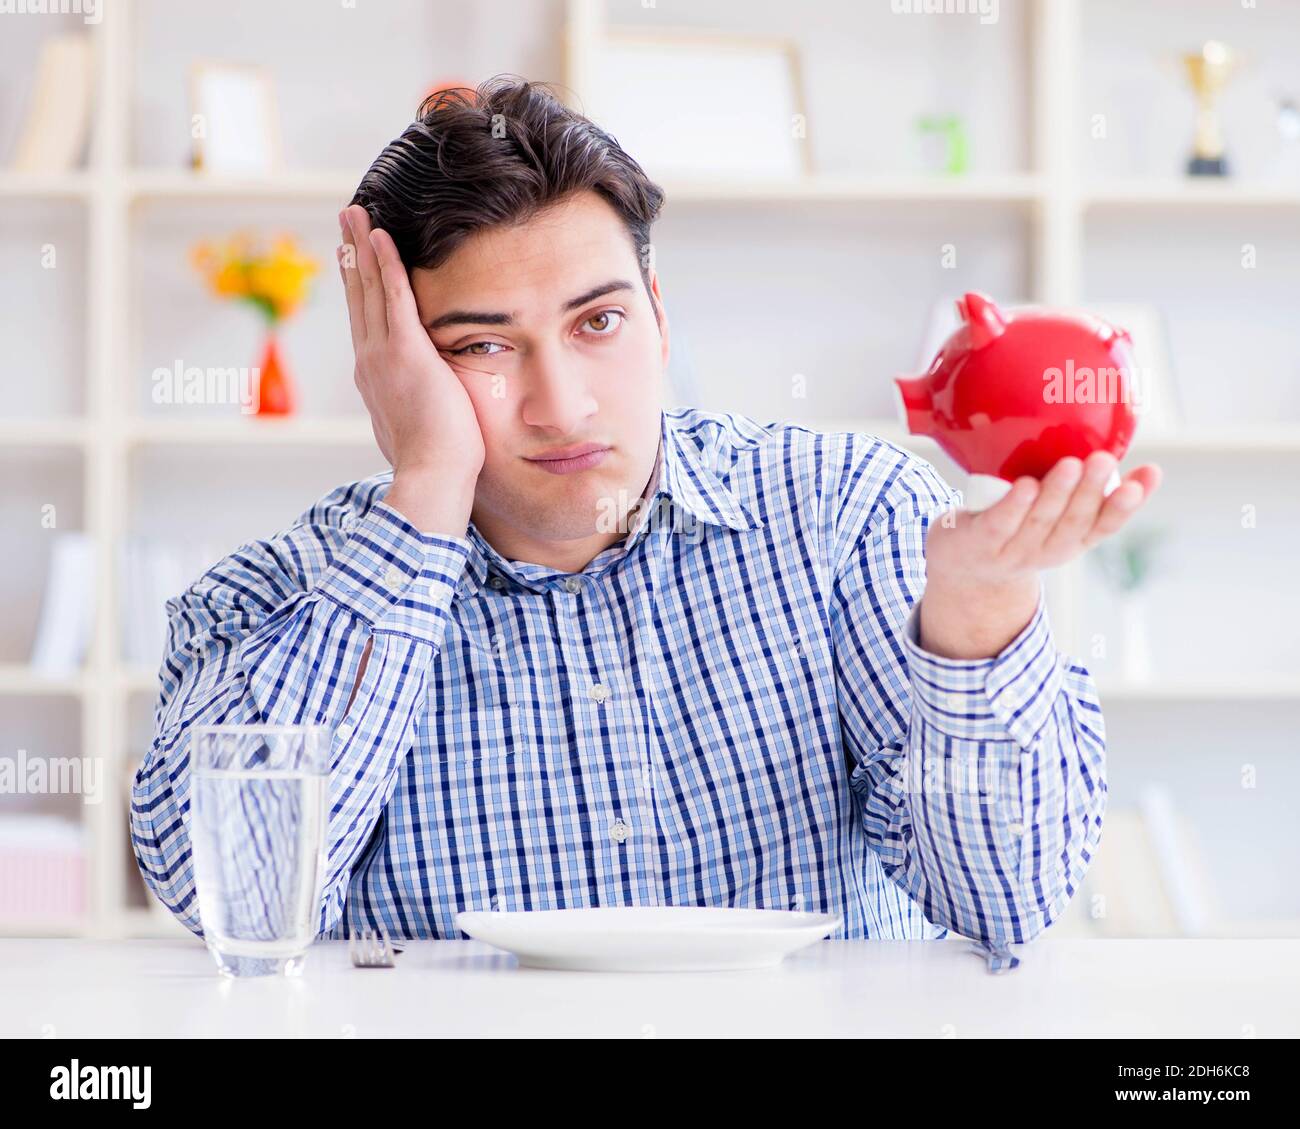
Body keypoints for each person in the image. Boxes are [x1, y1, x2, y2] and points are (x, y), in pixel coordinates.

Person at [131, 76, 1161, 943]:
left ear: (660, 319)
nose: (562, 402)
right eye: (481, 346)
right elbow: (237, 906)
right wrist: (427, 496)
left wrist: (977, 621)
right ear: (393, 363)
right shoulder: (282, 596)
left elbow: (1006, 906)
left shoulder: (852, 516)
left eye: (599, 322)